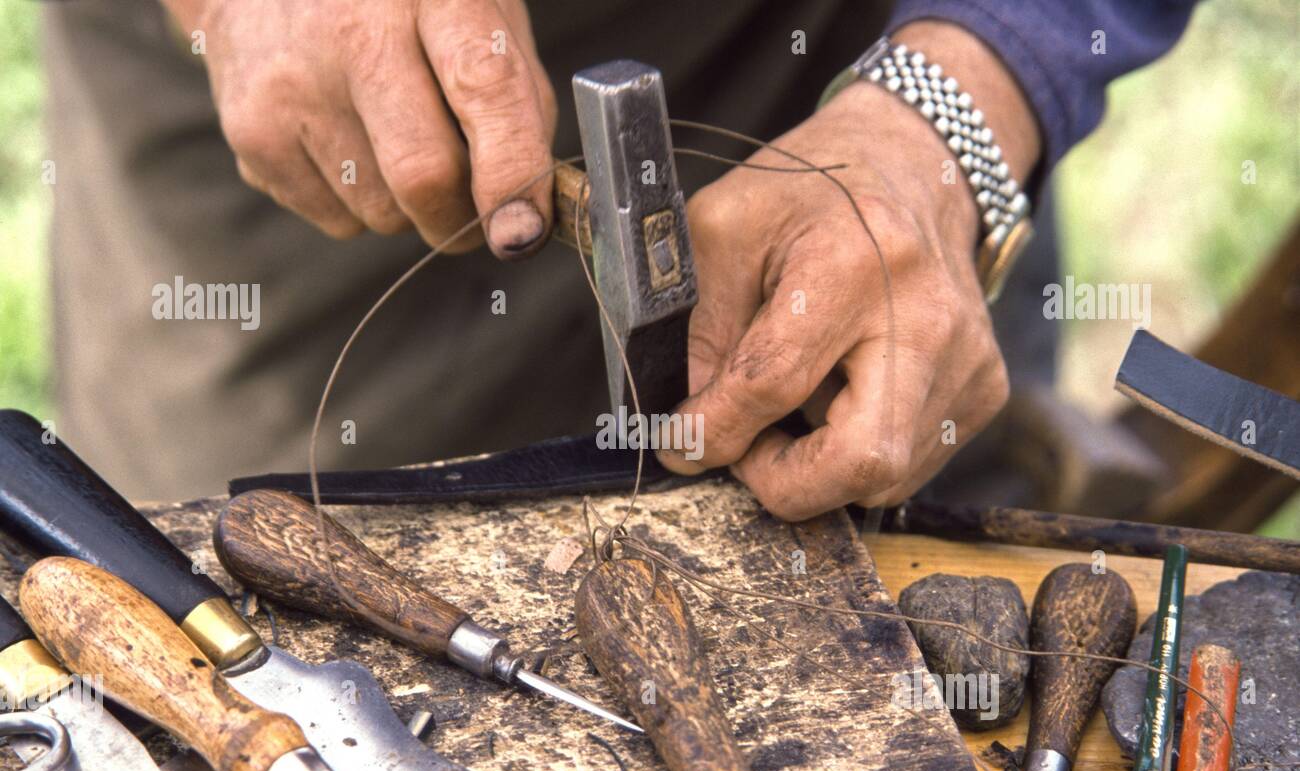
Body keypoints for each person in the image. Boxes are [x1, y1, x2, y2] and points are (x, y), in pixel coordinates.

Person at [42, 1, 1195, 509]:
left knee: (904, 579)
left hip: (851, 106)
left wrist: (960, 100)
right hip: (302, 144)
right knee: (268, 615)